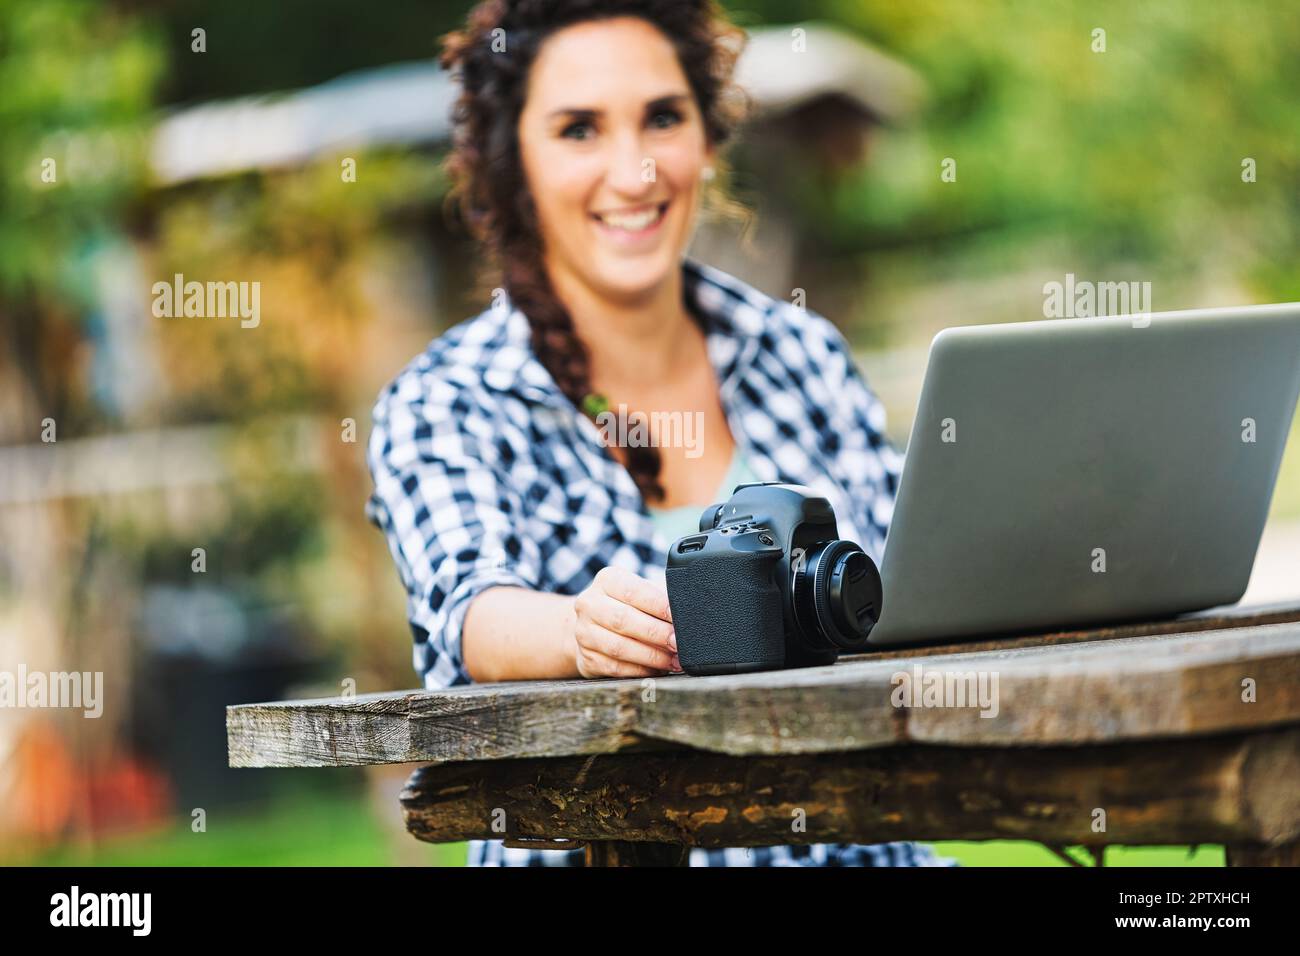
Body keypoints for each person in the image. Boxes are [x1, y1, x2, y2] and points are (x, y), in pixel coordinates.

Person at [366, 0, 957, 867]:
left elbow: (913, 579)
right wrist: (579, 631)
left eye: (663, 118)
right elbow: (470, 616)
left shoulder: (798, 351)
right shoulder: (449, 401)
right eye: (578, 129)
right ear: (513, 165)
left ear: (708, 142)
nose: (635, 170)